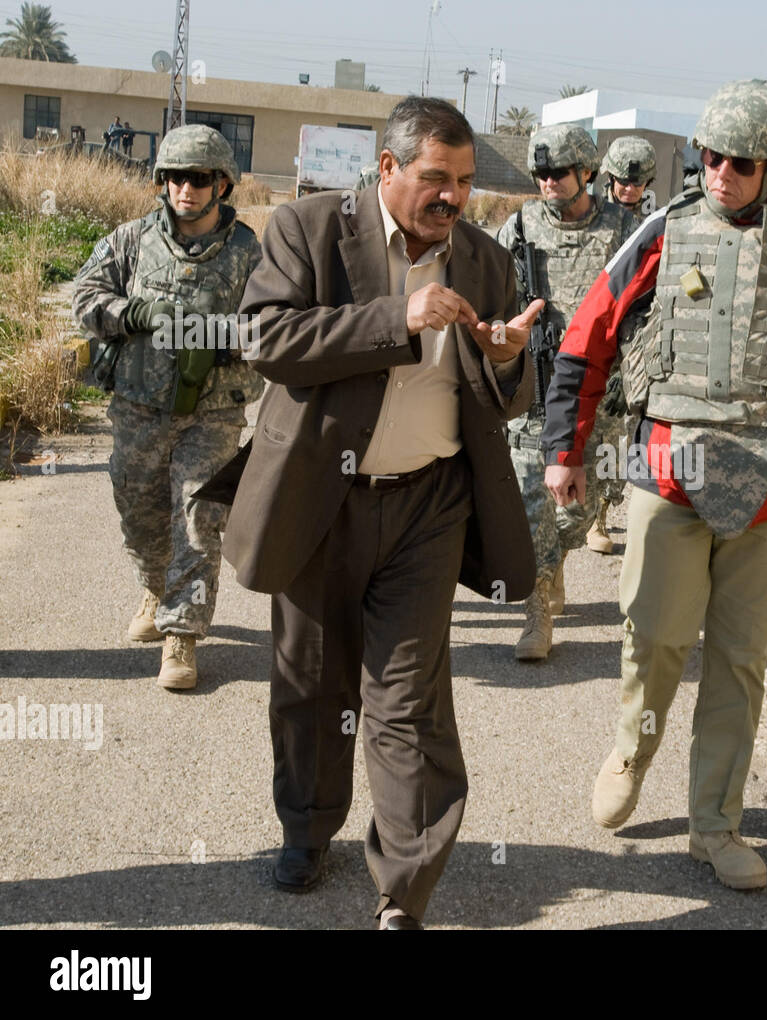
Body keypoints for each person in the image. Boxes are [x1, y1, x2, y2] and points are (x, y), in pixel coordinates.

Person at [543, 79, 767, 890]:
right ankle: (633, 751)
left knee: (740, 661)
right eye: (709, 156)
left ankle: (716, 824)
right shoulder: (662, 232)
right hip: (671, 473)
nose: (719, 173)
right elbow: (588, 336)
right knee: (656, 638)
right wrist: (564, 448)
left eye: (739, 161)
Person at [200, 96, 540, 929]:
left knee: (405, 702)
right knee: (313, 684)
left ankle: (403, 894)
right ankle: (308, 831)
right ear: (387, 170)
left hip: (428, 507)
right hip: (320, 498)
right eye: (435, 178)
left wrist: (507, 360)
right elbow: (268, 339)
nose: (453, 196)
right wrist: (400, 317)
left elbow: (505, 397)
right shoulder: (307, 229)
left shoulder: (488, 263)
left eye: (464, 181)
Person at [72, 124, 262, 690]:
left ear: (221, 184)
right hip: (138, 406)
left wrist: (218, 332)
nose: (186, 188)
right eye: (176, 177)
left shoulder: (251, 252)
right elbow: (85, 296)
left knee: (200, 517)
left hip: (214, 411)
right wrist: (134, 315)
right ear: (162, 181)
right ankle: (155, 587)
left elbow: (278, 323)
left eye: (199, 178)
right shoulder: (130, 240)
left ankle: (181, 635)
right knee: (139, 512)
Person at [496, 124, 637, 660]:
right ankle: (536, 614)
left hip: (598, 395)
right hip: (535, 385)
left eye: (558, 173)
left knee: (578, 512)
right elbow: (489, 285)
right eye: (540, 174)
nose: (548, 183)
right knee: (533, 501)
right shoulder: (520, 226)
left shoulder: (624, 229)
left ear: (587, 173)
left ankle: (554, 564)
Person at [584, 135, 659, 555]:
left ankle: (600, 518)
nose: (628, 189)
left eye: (637, 183)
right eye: (621, 181)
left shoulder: (653, 225)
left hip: (629, 348)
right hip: (588, 338)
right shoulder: (594, 219)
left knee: (614, 438)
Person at [601, 135, 657, 219]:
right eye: (624, 181)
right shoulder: (591, 215)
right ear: (611, 178)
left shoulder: (656, 219)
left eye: (637, 182)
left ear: (647, 182)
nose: (630, 189)